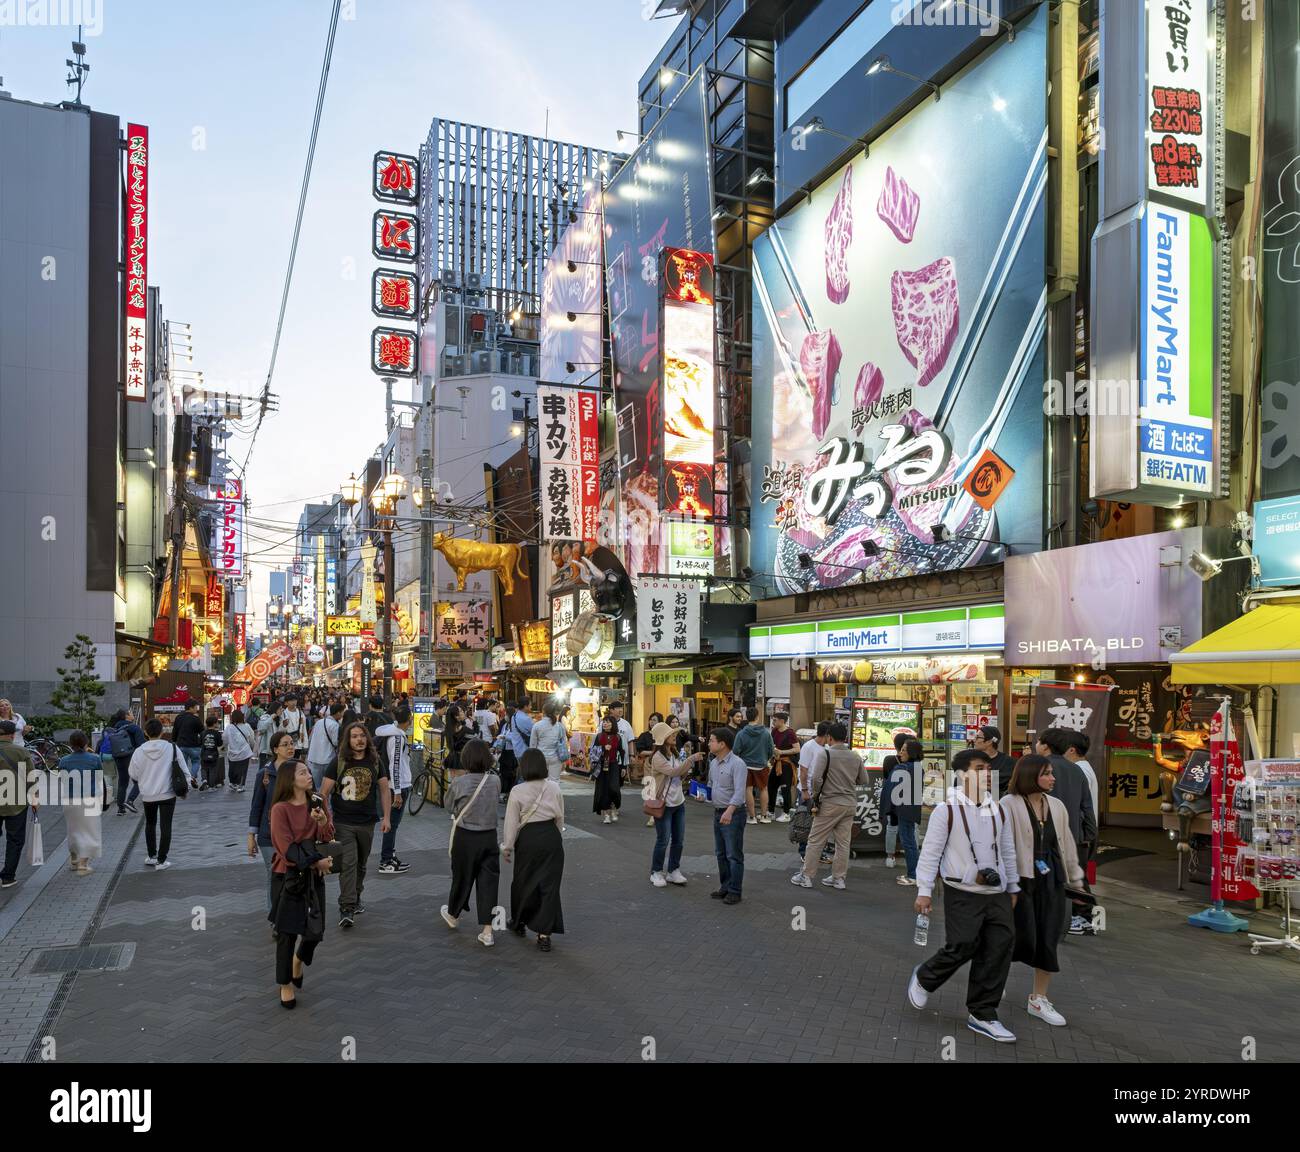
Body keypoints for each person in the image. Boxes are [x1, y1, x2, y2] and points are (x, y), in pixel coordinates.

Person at [908, 748, 1020, 1044]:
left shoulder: (997, 809)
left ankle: (984, 1014)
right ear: (961, 774)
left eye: (988, 768)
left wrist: (1013, 885)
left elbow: (1007, 850)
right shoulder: (947, 809)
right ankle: (925, 977)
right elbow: (930, 852)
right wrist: (924, 891)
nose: (986, 773)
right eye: (979, 768)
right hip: (961, 890)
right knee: (962, 944)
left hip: (996, 892)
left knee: (999, 948)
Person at [1001, 754, 1085, 1028]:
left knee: (1048, 937)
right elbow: (1000, 846)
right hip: (1019, 882)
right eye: (1046, 773)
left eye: (1051, 773)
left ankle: (1039, 998)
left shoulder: (1057, 806)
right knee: (1011, 937)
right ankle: (993, 982)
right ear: (1030, 775)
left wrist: (1075, 878)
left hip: (1051, 880)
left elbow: (1067, 843)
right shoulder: (1009, 804)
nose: (1053, 777)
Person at [269, 760, 336, 1009]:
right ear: (290, 779)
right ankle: (285, 983)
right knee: (286, 932)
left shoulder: (317, 800)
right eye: (303, 772)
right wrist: (315, 864)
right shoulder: (280, 809)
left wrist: (320, 822)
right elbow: (286, 848)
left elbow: (328, 835)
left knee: (315, 930)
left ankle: (299, 960)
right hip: (287, 874)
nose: (309, 775)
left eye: (308, 771)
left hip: (312, 874)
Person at [321, 722, 392, 929]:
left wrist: (386, 817)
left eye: (362, 735)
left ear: (367, 738)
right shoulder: (339, 761)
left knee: (361, 864)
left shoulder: (375, 761)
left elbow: (385, 790)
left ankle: (356, 896)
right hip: (343, 822)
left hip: (367, 822)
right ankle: (347, 906)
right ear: (348, 740)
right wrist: (327, 819)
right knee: (349, 863)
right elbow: (323, 793)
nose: (359, 739)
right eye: (354, 736)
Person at [1036, 728, 1099, 935]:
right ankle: (1084, 918)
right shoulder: (1076, 770)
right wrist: (1090, 837)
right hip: (1074, 835)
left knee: (1047, 874)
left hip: (1045, 834)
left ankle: (1081, 917)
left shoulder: (1040, 768)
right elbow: (1087, 807)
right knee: (1074, 877)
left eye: (1038, 741)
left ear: (1045, 745)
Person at [791, 722, 868, 890]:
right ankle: (838, 878)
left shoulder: (825, 754)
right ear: (845, 737)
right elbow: (864, 780)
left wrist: (816, 795)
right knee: (843, 843)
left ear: (830, 737)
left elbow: (816, 779)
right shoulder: (855, 756)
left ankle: (806, 876)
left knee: (816, 840)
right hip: (849, 804)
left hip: (829, 803)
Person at [441, 739, 502, 946]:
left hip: (466, 836)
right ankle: (488, 931)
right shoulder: (495, 780)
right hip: (490, 837)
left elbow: (448, 806)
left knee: (462, 877)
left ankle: (454, 914)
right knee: (489, 882)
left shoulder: (460, 782)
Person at [503, 748, 566, 951]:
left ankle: (519, 922)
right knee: (550, 887)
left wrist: (508, 846)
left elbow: (511, 823)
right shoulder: (554, 787)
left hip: (528, 839)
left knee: (523, 882)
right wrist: (557, 837)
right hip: (551, 836)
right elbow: (560, 817)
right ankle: (544, 935)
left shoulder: (517, 791)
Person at [695, 726, 748, 905]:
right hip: (718, 812)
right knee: (720, 853)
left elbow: (740, 793)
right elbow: (711, 786)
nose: (708, 743)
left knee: (734, 854)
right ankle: (725, 886)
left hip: (733, 813)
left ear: (722, 744)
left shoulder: (738, 764)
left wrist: (730, 811)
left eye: (711, 740)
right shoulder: (714, 762)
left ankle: (735, 890)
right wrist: (704, 796)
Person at [249, 730, 296, 917]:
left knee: (292, 874)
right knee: (275, 874)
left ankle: (290, 911)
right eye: (285, 744)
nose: (290, 747)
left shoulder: (299, 770)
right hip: (268, 834)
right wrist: (251, 836)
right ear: (275, 749)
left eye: (292, 743)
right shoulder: (265, 775)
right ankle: (275, 916)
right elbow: (256, 806)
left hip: (294, 833)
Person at [128, 718, 183, 870]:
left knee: (150, 824)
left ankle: (152, 856)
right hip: (167, 793)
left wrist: (144, 780)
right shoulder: (171, 748)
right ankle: (161, 860)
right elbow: (183, 769)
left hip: (147, 795)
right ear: (162, 731)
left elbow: (132, 773)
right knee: (166, 826)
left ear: (145, 732)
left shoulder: (139, 751)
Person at [1062, 729, 1100, 934]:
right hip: (1084, 830)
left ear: (1071, 749)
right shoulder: (1083, 767)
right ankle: (1083, 917)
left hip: (1082, 831)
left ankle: (1083, 917)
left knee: (1078, 876)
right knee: (1079, 875)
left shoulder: (1080, 770)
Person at [646, 722, 690, 888]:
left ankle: (673, 870)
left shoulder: (673, 753)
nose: (674, 736)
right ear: (663, 738)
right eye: (671, 734)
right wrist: (690, 760)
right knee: (663, 839)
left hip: (678, 802)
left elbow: (679, 776)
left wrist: (686, 768)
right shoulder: (657, 757)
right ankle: (656, 871)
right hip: (663, 804)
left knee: (679, 839)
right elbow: (672, 772)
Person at [58, 731, 103, 876]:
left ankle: (74, 858)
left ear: (70, 744)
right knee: (89, 831)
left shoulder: (64, 760)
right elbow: (99, 778)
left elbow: (62, 780)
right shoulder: (95, 759)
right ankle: (83, 865)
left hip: (70, 800)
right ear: (86, 743)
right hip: (89, 799)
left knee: (73, 830)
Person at [880, 738, 924, 886]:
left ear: (911, 752)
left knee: (908, 842)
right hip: (909, 809)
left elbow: (892, 790)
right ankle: (913, 873)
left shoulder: (905, 768)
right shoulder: (917, 767)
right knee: (909, 841)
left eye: (904, 750)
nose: (900, 753)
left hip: (904, 810)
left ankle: (913, 875)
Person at [375, 706, 414, 875]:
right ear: (409, 719)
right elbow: (395, 766)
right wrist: (397, 791)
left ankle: (390, 855)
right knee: (392, 825)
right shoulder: (397, 738)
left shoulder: (395, 734)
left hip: (398, 786)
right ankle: (386, 860)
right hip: (397, 787)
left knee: (394, 824)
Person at [0, 720, 36, 888]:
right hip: (17, 802)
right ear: (13, 734)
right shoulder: (21, 751)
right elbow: (30, 778)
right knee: (14, 839)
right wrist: (34, 799)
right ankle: (8, 876)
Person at [732, 707, 776, 825]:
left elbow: (735, 750)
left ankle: (752, 817)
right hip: (761, 764)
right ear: (757, 717)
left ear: (746, 717)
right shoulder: (766, 733)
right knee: (763, 789)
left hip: (745, 765)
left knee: (748, 789)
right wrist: (764, 758)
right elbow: (771, 750)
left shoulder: (741, 733)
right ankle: (764, 815)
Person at [878, 731, 911, 866]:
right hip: (909, 797)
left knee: (892, 826)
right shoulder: (912, 760)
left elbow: (886, 776)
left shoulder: (888, 760)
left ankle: (890, 857)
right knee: (911, 826)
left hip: (893, 797)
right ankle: (911, 854)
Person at [105, 708, 145, 815]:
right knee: (139, 780)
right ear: (127, 716)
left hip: (118, 757)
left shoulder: (114, 728)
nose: (132, 714)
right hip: (131, 757)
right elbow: (142, 745)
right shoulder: (134, 728)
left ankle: (120, 809)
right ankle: (130, 800)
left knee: (123, 782)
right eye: (131, 713)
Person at [590, 715, 624, 824]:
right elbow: (593, 751)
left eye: (608, 722)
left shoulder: (618, 737)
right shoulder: (599, 736)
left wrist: (623, 767)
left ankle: (614, 808)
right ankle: (606, 815)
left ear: (613, 724)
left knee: (614, 788)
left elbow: (621, 753)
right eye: (604, 722)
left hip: (614, 765)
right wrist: (603, 748)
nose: (605, 724)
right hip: (601, 766)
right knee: (603, 790)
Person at [767, 713, 799, 822]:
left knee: (786, 788)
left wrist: (782, 752)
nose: (773, 722)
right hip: (776, 762)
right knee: (771, 786)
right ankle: (770, 811)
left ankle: (786, 813)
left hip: (787, 764)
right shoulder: (774, 731)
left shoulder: (790, 733)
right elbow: (772, 745)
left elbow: (797, 749)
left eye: (775, 720)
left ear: (782, 721)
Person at [529, 698, 570, 780]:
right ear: (555, 712)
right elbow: (564, 742)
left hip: (541, 757)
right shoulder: (559, 726)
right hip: (556, 757)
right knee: (555, 781)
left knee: (541, 781)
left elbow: (533, 745)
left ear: (543, 712)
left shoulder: (537, 725)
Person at [497, 700, 532, 797]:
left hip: (515, 750)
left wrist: (504, 738)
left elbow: (512, 736)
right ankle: (517, 794)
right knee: (520, 773)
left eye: (506, 715)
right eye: (530, 705)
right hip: (519, 750)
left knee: (518, 773)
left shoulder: (515, 718)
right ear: (525, 706)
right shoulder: (523, 719)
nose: (531, 707)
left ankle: (515, 793)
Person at [306, 702, 343, 791]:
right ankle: (326, 805)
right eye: (342, 712)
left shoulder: (319, 722)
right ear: (338, 713)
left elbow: (310, 738)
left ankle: (318, 804)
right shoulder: (334, 725)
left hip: (314, 758)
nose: (342, 714)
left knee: (317, 787)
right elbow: (335, 743)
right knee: (327, 789)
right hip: (327, 759)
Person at [973, 725, 1016, 800]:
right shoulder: (971, 761)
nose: (974, 740)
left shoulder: (1008, 762)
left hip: (999, 807)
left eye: (977, 737)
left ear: (989, 742)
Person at [171, 700, 203, 788]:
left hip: (181, 745)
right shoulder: (195, 719)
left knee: (183, 764)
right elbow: (202, 731)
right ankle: (192, 777)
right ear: (191, 708)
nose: (197, 709)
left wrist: (174, 741)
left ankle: (186, 781)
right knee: (196, 761)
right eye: (196, 707)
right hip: (194, 745)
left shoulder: (178, 718)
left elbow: (175, 731)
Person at [224, 709, 256, 792]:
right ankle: (240, 785)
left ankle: (232, 783)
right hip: (244, 752)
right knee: (243, 769)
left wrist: (225, 746)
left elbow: (224, 739)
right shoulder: (247, 726)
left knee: (232, 768)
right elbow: (252, 739)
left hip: (232, 752)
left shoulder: (229, 727)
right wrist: (252, 748)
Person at [442, 703, 473, 771]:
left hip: (451, 760)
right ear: (456, 716)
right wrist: (475, 723)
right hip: (462, 761)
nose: (463, 712)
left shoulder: (448, 729)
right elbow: (475, 737)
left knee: (454, 780)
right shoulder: (464, 729)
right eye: (461, 711)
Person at [198, 712, 224, 792]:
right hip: (213, 754)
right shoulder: (217, 733)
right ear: (214, 724)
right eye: (217, 723)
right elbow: (220, 744)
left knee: (204, 768)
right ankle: (211, 787)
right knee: (213, 770)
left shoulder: (202, 733)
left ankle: (204, 780)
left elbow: (199, 743)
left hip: (204, 754)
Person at [256, 703, 278, 769]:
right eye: (279, 709)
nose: (281, 711)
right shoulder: (265, 717)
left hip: (274, 750)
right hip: (265, 750)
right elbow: (261, 728)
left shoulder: (278, 719)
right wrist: (271, 718)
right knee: (263, 771)